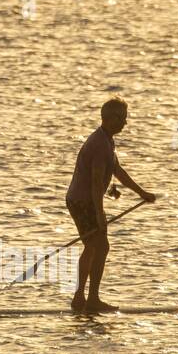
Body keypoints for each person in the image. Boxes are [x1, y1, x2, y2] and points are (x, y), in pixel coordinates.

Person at [65, 97, 154, 314]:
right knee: (100, 246)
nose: (125, 123)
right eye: (123, 118)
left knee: (93, 246)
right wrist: (100, 213)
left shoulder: (107, 141)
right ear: (111, 118)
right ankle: (91, 299)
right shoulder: (100, 144)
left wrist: (141, 192)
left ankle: (80, 298)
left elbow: (118, 172)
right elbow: (96, 183)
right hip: (83, 201)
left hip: (79, 200)